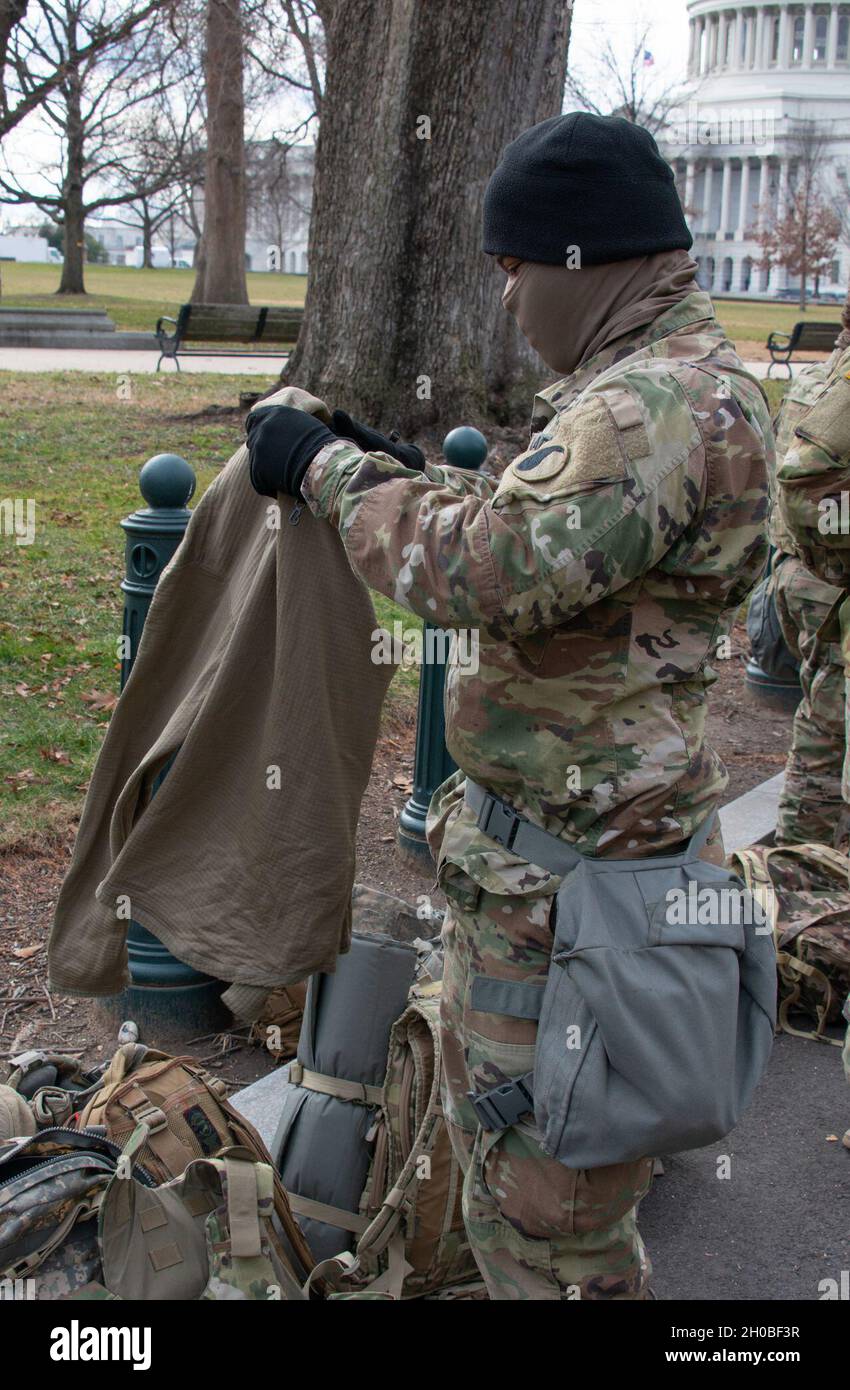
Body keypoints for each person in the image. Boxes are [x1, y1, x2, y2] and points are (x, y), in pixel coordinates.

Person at [247, 112, 773, 1300]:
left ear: (583, 258)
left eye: (512, 267)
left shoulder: (645, 410)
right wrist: (396, 464)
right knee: (552, 1200)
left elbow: (479, 572)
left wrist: (325, 472)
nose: (505, 297)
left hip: (572, 903)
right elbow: (552, 539)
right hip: (606, 875)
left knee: (551, 1233)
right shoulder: (679, 385)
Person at [765, 340, 845, 848]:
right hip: (829, 580)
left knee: (822, 721)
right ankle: (800, 872)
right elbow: (803, 484)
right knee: (826, 734)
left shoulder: (820, 375)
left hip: (797, 571)